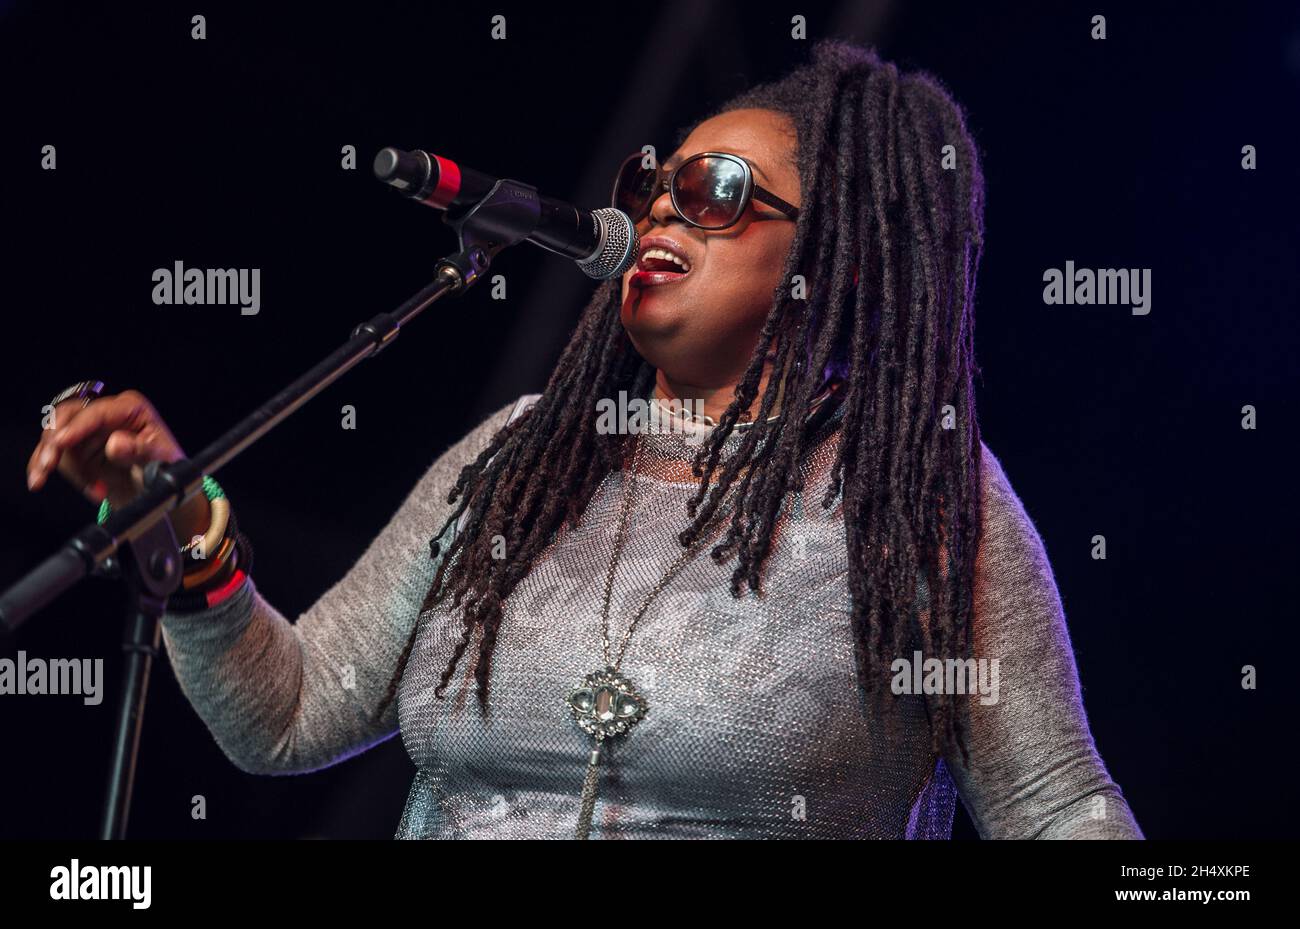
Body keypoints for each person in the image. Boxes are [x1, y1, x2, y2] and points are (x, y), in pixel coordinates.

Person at [25, 41, 1142, 839]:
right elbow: (290, 713)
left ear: (832, 261)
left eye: (712, 192)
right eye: (652, 183)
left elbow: (1056, 806)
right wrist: (189, 540)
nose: (658, 209)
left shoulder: (917, 498)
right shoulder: (515, 461)